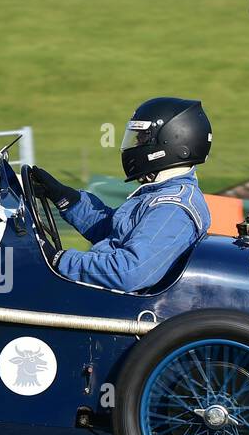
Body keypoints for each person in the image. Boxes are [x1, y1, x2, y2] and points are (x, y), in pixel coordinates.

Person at [31, 97, 213, 293]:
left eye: (142, 138)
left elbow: (130, 272)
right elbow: (113, 231)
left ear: (174, 142)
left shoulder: (172, 209)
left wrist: (59, 259)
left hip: (121, 311)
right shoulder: (159, 193)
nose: (136, 143)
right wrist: (65, 198)